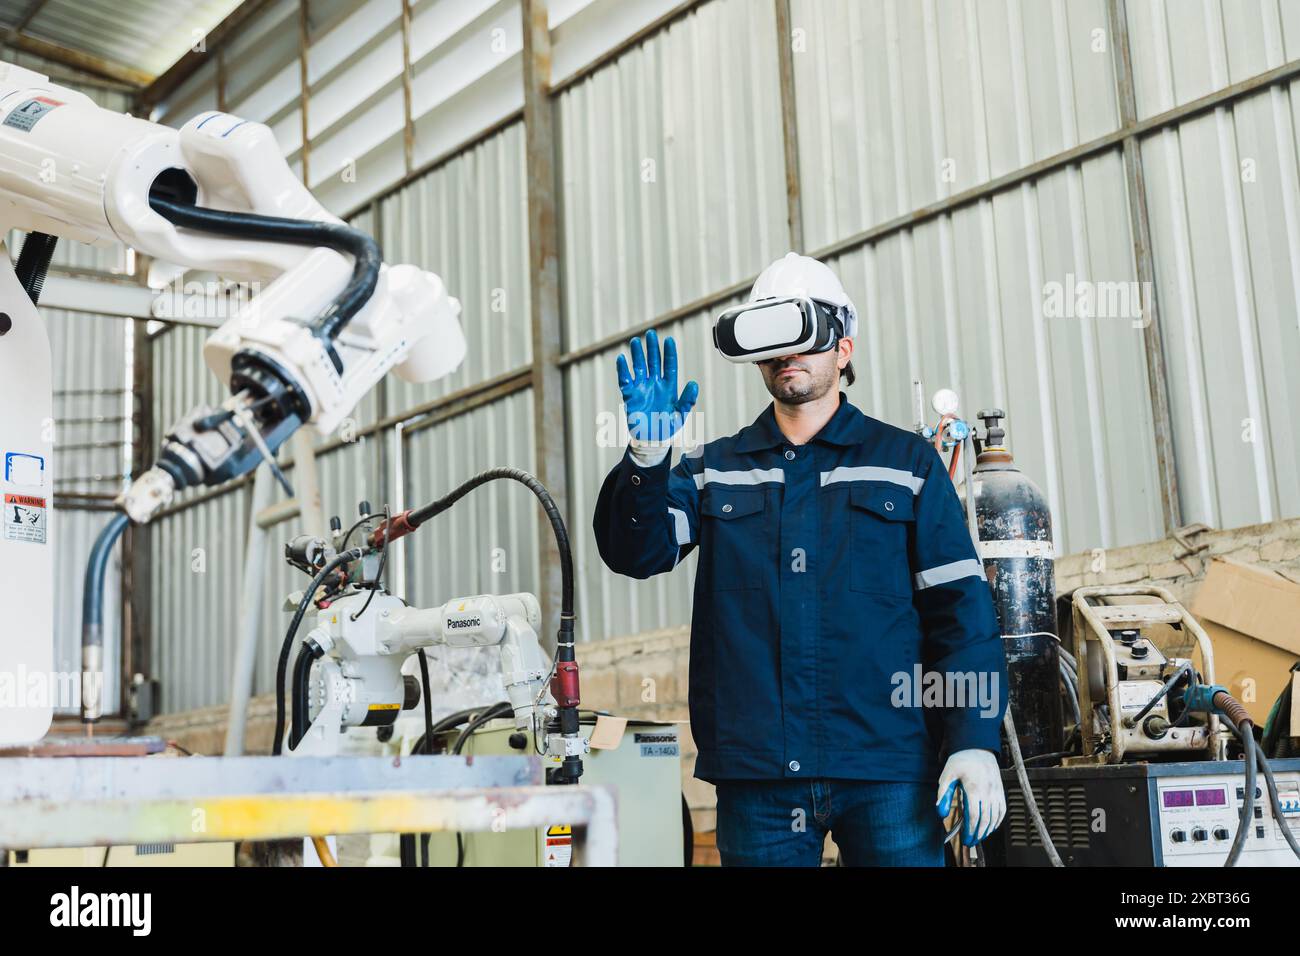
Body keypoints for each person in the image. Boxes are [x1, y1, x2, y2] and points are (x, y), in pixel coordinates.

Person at [592, 252, 1008, 866]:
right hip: (758, 777)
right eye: (772, 336)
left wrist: (973, 741)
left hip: (887, 772)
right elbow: (636, 552)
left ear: (843, 348)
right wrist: (648, 458)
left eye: (804, 335)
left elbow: (961, 617)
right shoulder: (714, 471)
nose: (788, 354)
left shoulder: (907, 465)